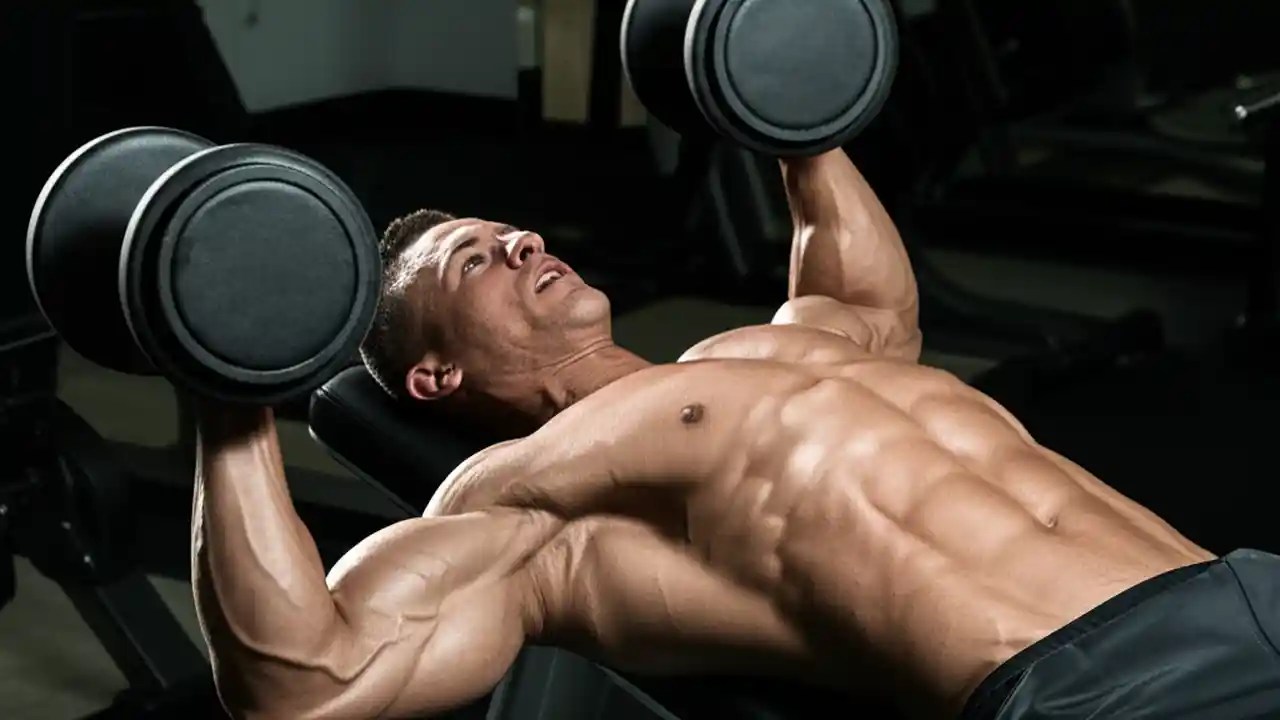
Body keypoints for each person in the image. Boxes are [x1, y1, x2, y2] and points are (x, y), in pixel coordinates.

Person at [190, 148, 1280, 720]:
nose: (520, 241)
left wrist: (796, 127)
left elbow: (872, 305)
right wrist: (229, 385)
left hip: (1238, 589)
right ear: (435, 373)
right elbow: (306, 682)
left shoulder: (765, 348)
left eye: (509, 230)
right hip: (1109, 689)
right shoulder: (519, 503)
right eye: (473, 260)